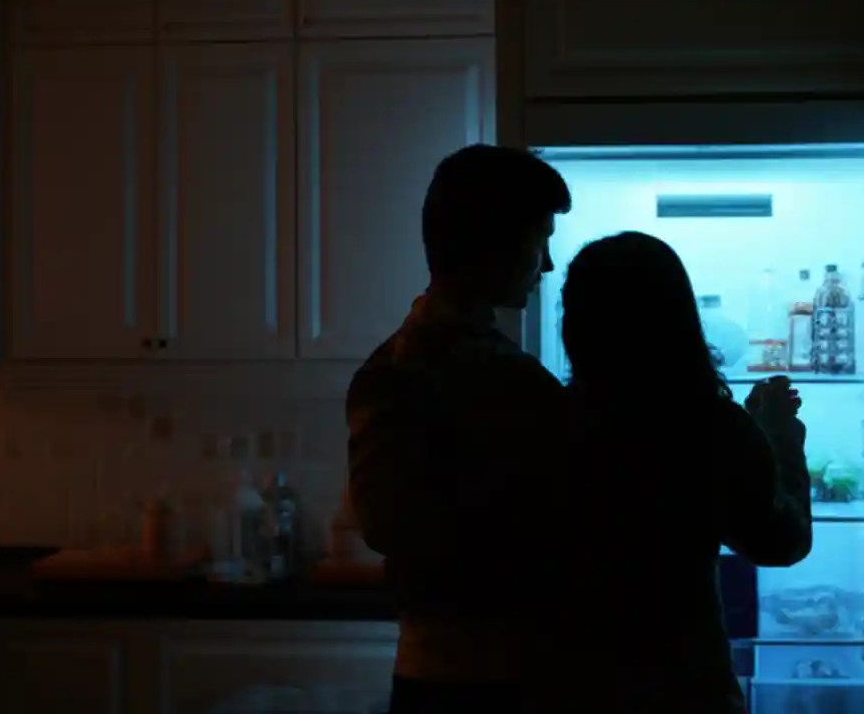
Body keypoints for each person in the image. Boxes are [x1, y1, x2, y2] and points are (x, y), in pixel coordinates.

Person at [544, 231, 812, 714]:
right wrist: (781, 438)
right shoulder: (710, 425)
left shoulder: (549, 419)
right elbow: (779, 541)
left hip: (571, 680)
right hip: (687, 681)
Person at [345, 144, 572, 714]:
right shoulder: (473, 373)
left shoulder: (398, 366)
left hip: (441, 666)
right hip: (477, 673)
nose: (546, 265)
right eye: (539, 240)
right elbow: (391, 524)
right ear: (493, 241)